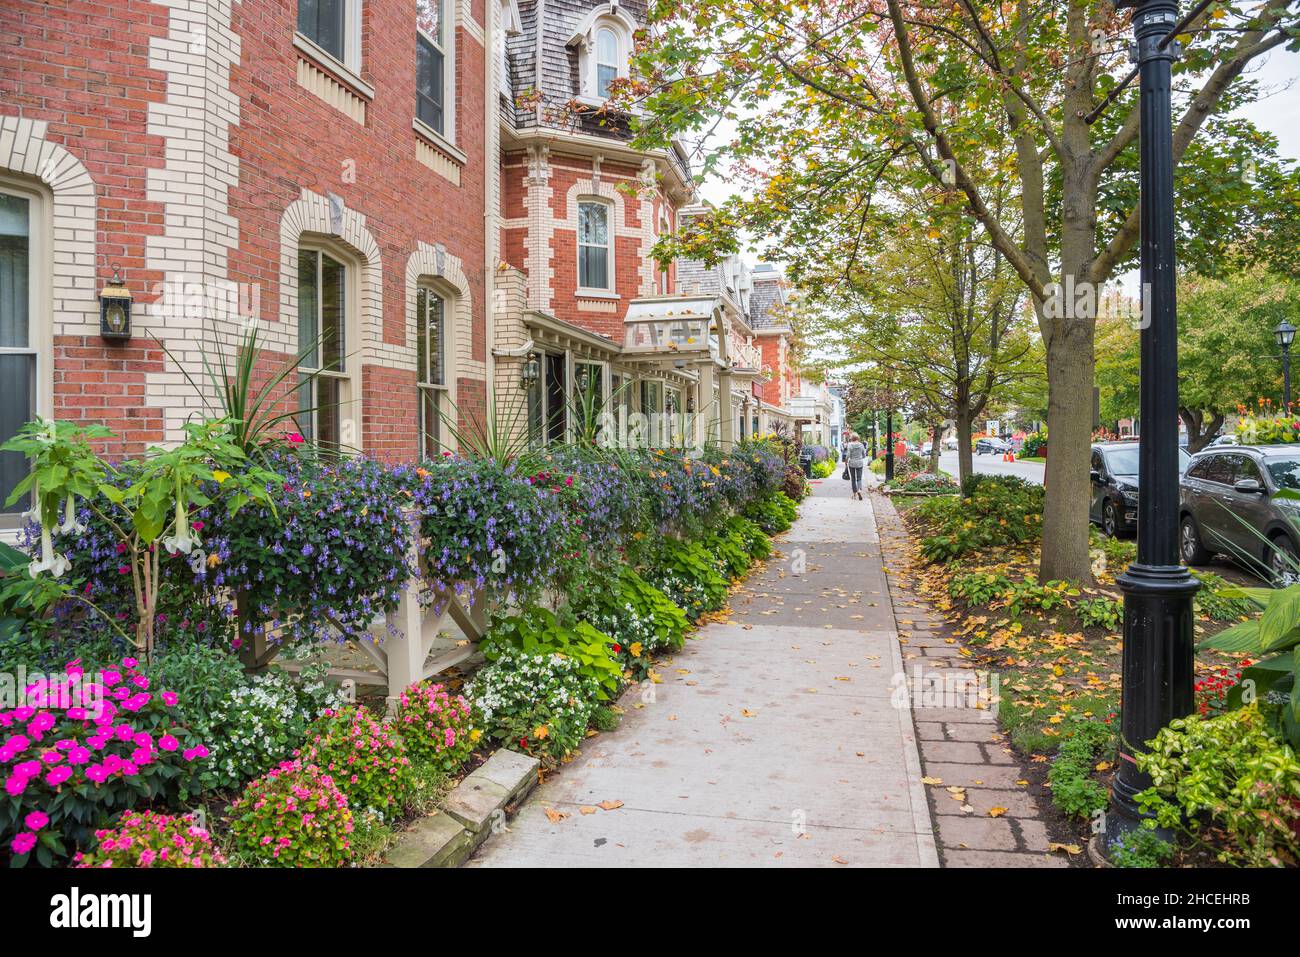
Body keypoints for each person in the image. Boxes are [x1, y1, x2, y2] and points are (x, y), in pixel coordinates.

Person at [844, 432, 867, 500]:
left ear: (852, 438)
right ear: (857, 438)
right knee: (859, 478)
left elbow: (848, 454)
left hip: (852, 463)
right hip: (859, 463)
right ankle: (859, 490)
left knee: (853, 479)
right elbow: (864, 455)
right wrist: (861, 457)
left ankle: (854, 494)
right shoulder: (861, 445)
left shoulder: (850, 445)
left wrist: (846, 461)